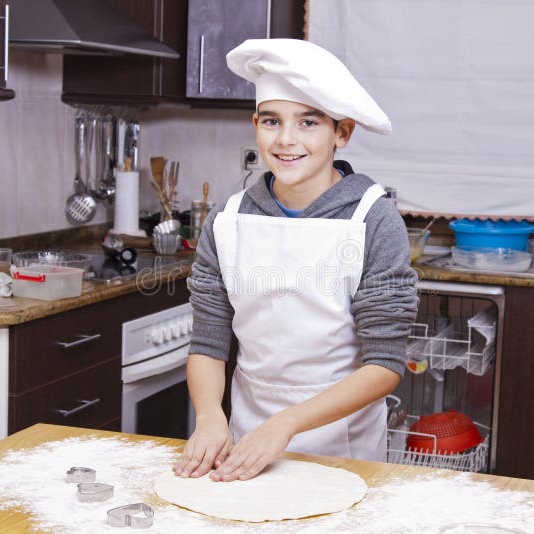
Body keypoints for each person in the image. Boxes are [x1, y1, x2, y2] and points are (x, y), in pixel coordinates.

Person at [174, 38, 418, 482]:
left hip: (343, 446)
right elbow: (208, 343)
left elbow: (384, 364)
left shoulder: (373, 220)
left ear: (342, 133)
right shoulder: (227, 220)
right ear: (256, 125)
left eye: (308, 123)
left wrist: (285, 425)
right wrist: (211, 417)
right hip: (249, 445)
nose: (286, 140)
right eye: (272, 121)